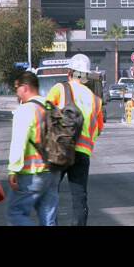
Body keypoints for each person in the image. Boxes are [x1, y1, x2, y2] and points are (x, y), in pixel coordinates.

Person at [47, 56, 104, 226]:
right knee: (79, 197)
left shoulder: (60, 89)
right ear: (85, 76)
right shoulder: (96, 100)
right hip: (82, 153)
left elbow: (44, 112)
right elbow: (99, 129)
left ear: (69, 72)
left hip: (61, 149)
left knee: (51, 192)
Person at [7, 71, 61, 226]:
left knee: (15, 213)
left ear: (25, 87)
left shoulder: (25, 110)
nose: (17, 92)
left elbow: (19, 142)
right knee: (48, 219)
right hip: (53, 170)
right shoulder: (51, 106)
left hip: (32, 173)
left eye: (17, 88)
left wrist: (13, 170)